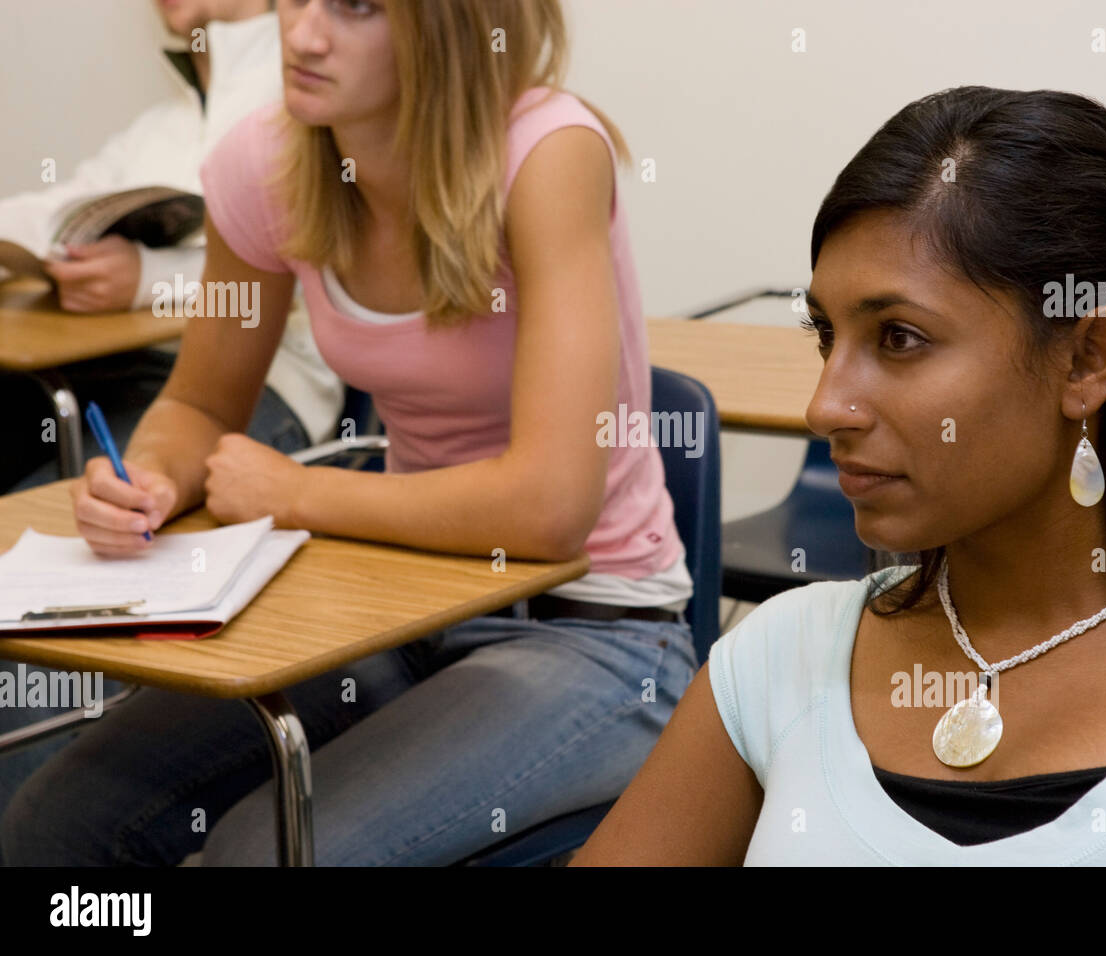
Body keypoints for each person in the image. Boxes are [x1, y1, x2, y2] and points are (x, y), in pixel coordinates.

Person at [0, 0, 696, 867]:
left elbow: (550, 508)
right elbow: (201, 408)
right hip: (400, 613)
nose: (304, 32)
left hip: (593, 638)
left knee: (261, 855)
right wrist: (148, 479)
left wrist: (297, 493)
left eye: (356, 7)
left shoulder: (550, 154)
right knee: (54, 824)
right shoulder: (262, 160)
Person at [571, 86, 1106, 866]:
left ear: (1087, 358)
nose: (825, 408)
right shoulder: (780, 658)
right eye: (826, 335)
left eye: (899, 338)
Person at [0, 0, 343, 833]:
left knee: (68, 623)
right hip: (139, 391)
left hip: (264, 397)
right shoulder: (160, 126)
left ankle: (40, 817)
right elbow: (56, 207)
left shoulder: (306, 98)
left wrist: (149, 276)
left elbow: (278, 278)